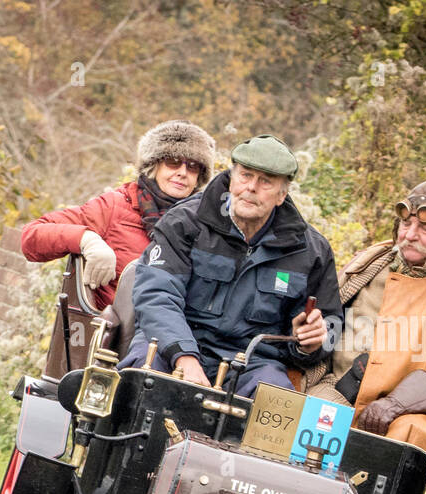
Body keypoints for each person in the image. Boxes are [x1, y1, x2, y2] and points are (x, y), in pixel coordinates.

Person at [122, 135, 342, 398]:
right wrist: (185, 357)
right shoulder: (185, 223)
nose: (251, 188)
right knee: (142, 378)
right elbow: (156, 296)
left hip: (253, 364)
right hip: (169, 344)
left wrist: (309, 343)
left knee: (276, 405)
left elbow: (330, 324)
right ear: (231, 177)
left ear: (282, 194)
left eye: (265, 182)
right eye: (245, 176)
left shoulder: (312, 251)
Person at [308, 177, 426, 461]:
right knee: (285, 408)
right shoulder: (371, 261)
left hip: (406, 410)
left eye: (425, 228)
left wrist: (396, 403)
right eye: (406, 224)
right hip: (335, 388)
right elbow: (328, 316)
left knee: (410, 437)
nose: (410, 235)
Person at [19, 120, 216, 308]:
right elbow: (32, 237)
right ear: (154, 164)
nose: (183, 172)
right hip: (115, 334)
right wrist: (87, 239)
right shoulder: (115, 206)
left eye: (193, 166)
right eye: (173, 162)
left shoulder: (205, 222)